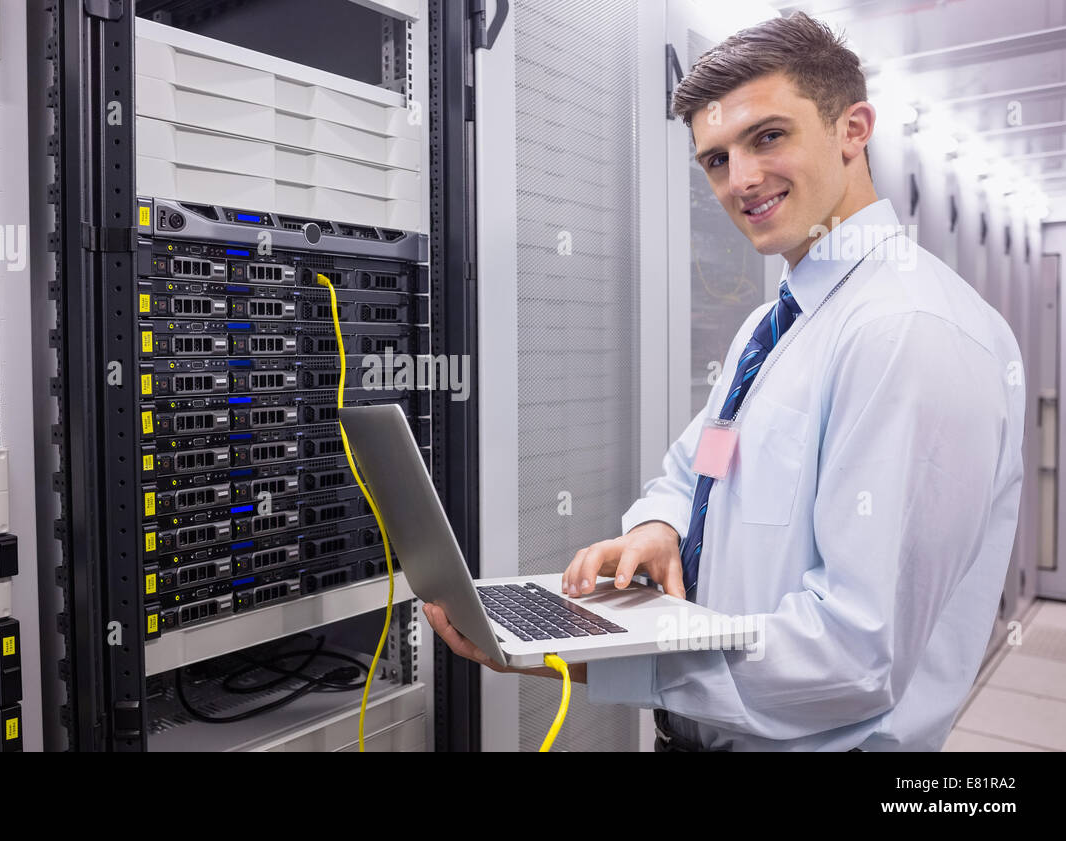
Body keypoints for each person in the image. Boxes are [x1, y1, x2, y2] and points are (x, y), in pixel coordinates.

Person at [424, 11, 1025, 751]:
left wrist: (575, 657)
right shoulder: (774, 324)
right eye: (715, 159)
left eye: (768, 136)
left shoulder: (906, 331)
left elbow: (852, 657)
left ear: (853, 128)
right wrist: (660, 524)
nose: (741, 179)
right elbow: (706, 463)